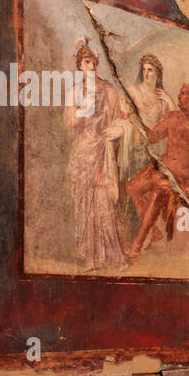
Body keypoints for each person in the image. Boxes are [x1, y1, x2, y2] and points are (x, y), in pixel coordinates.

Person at [125, 82, 189, 260]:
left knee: (157, 194)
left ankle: (137, 244)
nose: (184, 97)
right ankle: (153, 229)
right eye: (182, 94)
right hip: (161, 167)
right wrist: (136, 120)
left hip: (179, 176)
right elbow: (152, 137)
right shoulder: (171, 117)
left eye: (188, 95)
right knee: (131, 187)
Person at [64, 39, 130, 271]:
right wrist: (85, 107)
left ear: (96, 64)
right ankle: (90, 258)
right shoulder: (75, 92)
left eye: (92, 62)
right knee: (84, 205)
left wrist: (119, 128)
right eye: (85, 62)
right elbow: (69, 122)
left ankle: (113, 256)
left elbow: (124, 117)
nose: (89, 66)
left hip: (102, 150)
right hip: (82, 152)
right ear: (79, 66)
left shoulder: (109, 90)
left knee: (103, 203)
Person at [119, 54, 175, 241]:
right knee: (134, 189)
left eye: (150, 70)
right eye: (144, 69)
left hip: (154, 151)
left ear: (158, 74)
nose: (146, 73)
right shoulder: (133, 91)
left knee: (152, 192)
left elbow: (173, 127)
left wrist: (170, 101)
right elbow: (124, 115)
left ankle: (150, 233)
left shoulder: (161, 98)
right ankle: (141, 232)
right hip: (136, 147)